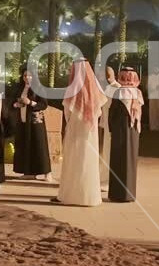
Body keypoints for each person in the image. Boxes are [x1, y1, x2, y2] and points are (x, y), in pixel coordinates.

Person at [54, 59, 105, 207]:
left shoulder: (72, 91)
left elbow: (67, 112)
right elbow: (99, 111)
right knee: (88, 161)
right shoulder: (95, 91)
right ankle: (89, 197)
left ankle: (71, 196)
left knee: (74, 161)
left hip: (75, 132)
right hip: (90, 134)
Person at [106, 67, 143, 202]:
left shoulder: (118, 92)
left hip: (119, 131)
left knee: (118, 159)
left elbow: (112, 113)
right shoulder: (138, 93)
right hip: (133, 132)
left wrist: (110, 128)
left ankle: (118, 194)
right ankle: (129, 194)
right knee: (131, 159)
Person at [8, 68, 51, 180]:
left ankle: (47, 172)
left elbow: (44, 104)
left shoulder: (39, 88)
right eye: (25, 76)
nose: (27, 78)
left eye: (30, 76)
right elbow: (12, 101)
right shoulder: (20, 88)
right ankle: (28, 172)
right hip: (23, 121)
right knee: (25, 146)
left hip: (35, 122)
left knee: (39, 146)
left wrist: (30, 102)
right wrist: (16, 105)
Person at [99, 66, 121, 192]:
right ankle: (104, 177)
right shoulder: (107, 88)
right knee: (106, 151)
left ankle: (109, 180)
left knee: (110, 152)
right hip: (107, 126)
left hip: (112, 126)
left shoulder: (117, 88)